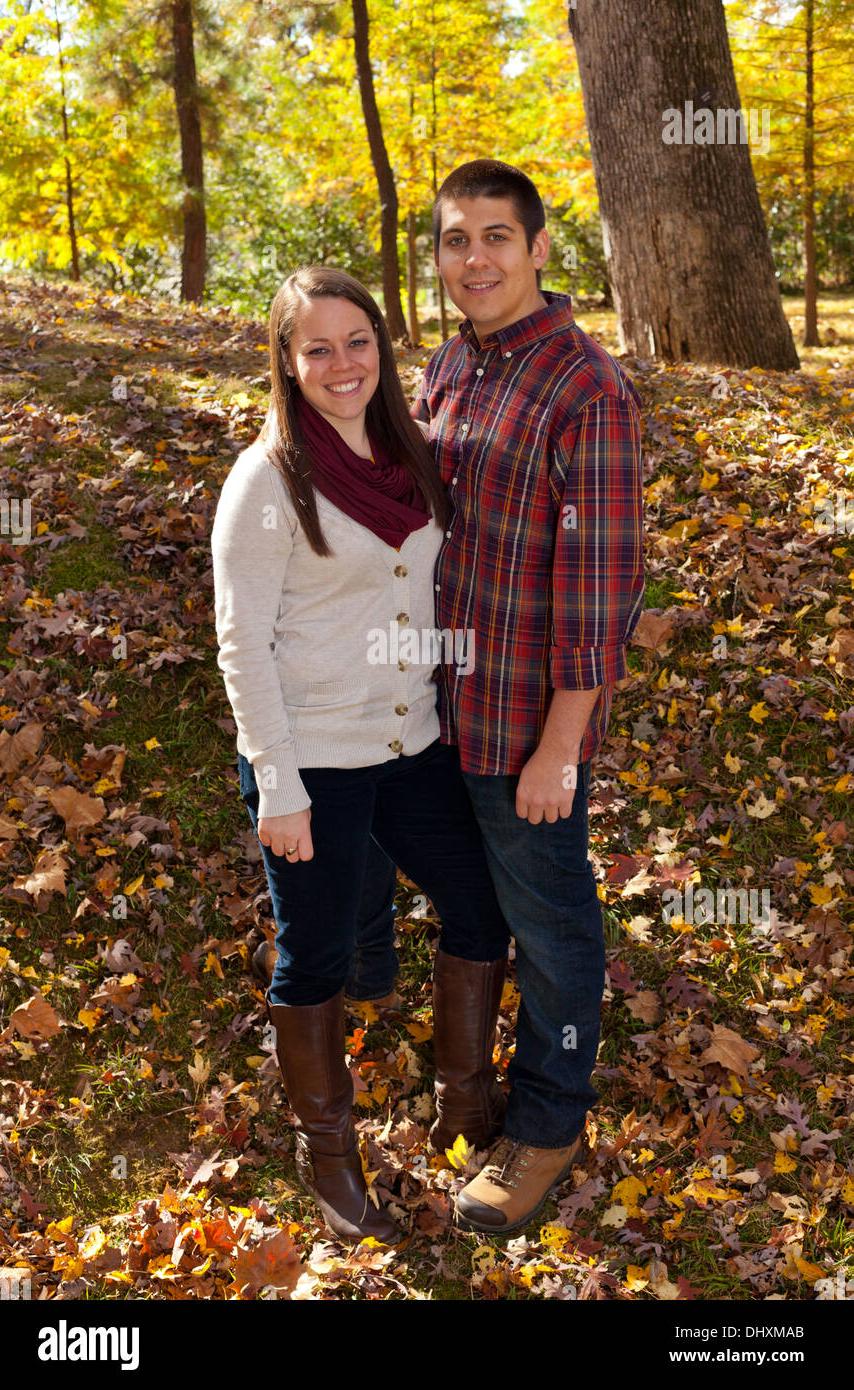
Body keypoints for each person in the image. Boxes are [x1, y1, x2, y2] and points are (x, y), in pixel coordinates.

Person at [210, 265, 511, 1247]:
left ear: (381, 349)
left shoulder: (409, 450)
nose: (342, 364)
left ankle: (463, 1104)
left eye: (358, 343)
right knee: (315, 955)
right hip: (314, 755)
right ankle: (327, 1153)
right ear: (287, 364)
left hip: (412, 741)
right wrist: (278, 783)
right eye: (317, 348)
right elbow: (240, 642)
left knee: (478, 906)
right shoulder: (268, 479)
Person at [410, 159, 645, 1235]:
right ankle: (465, 1082)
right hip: (435, 706)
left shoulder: (584, 387)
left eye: (495, 237)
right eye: (456, 239)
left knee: (554, 929)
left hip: (520, 730)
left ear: (539, 246)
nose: (474, 259)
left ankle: (547, 1123)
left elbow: (598, 591)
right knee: (478, 905)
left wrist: (560, 747)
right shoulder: (454, 363)